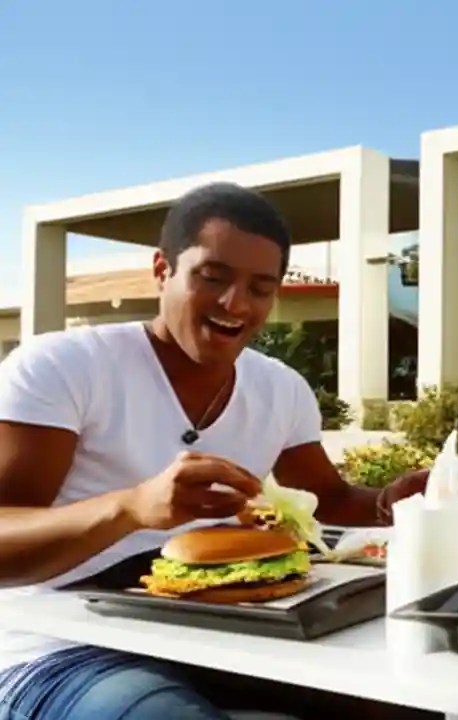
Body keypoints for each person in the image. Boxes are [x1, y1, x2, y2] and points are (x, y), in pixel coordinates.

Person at [0, 183, 429, 719]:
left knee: (411, 704)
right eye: (213, 278)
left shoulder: (280, 388)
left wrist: (394, 500)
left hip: (228, 634)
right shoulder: (65, 366)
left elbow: (329, 498)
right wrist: (131, 508)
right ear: (162, 270)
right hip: (57, 646)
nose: (236, 304)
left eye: (261, 288)